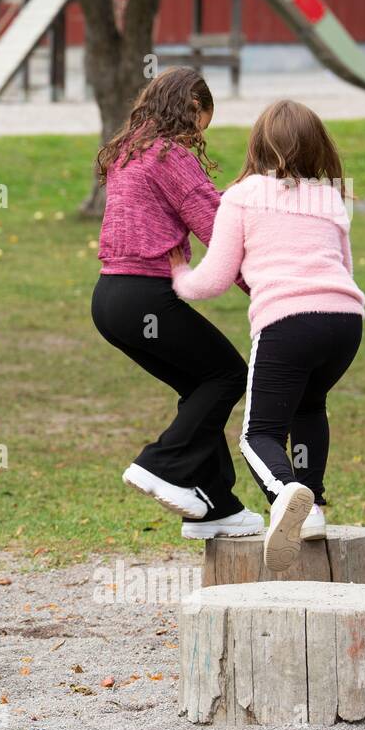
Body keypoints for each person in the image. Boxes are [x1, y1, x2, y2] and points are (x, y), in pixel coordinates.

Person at [171, 99, 364, 571]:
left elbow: (216, 278)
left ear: (257, 143)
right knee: (310, 406)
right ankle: (312, 505)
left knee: (257, 434)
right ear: (319, 146)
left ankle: (286, 493)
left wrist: (178, 276)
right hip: (344, 321)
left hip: (287, 322)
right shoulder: (330, 196)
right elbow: (346, 266)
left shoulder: (242, 196)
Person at [90, 67, 263, 540]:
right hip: (144, 296)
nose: (201, 132)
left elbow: (205, 204)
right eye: (203, 120)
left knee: (200, 385)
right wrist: (267, 295)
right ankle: (160, 464)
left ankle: (214, 507)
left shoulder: (130, 151)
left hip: (110, 298)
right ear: (193, 109)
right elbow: (216, 229)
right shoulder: (170, 154)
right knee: (227, 374)